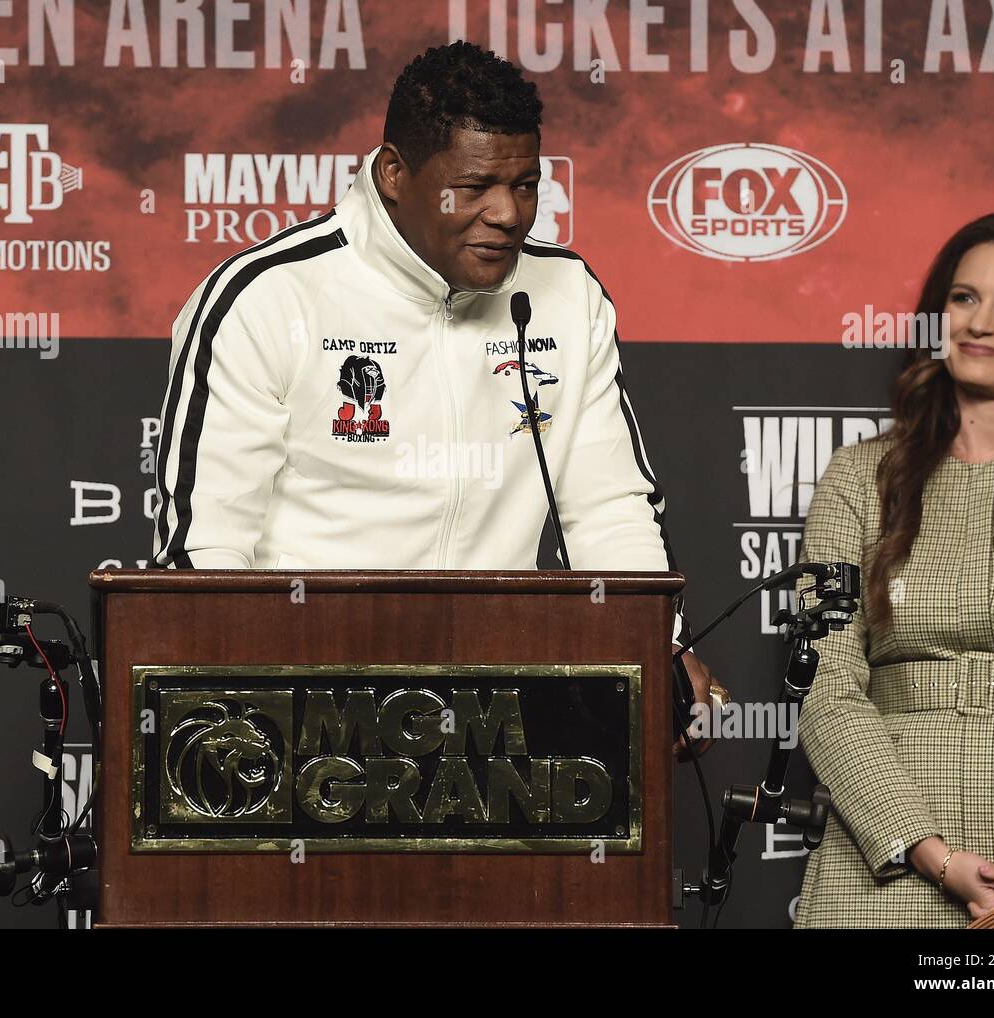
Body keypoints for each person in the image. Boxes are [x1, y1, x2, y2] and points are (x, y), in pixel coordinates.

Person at [148, 41, 720, 754]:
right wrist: (244, 721)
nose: (508, 214)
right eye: (475, 186)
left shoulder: (566, 297)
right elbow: (208, 554)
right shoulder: (267, 297)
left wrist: (661, 649)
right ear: (395, 174)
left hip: (498, 715)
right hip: (306, 711)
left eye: (526, 184)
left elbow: (607, 507)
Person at [794, 210, 994, 927]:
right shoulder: (856, 478)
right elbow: (825, 687)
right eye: (964, 298)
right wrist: (930, 853)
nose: (979, 323)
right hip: (888, 855)